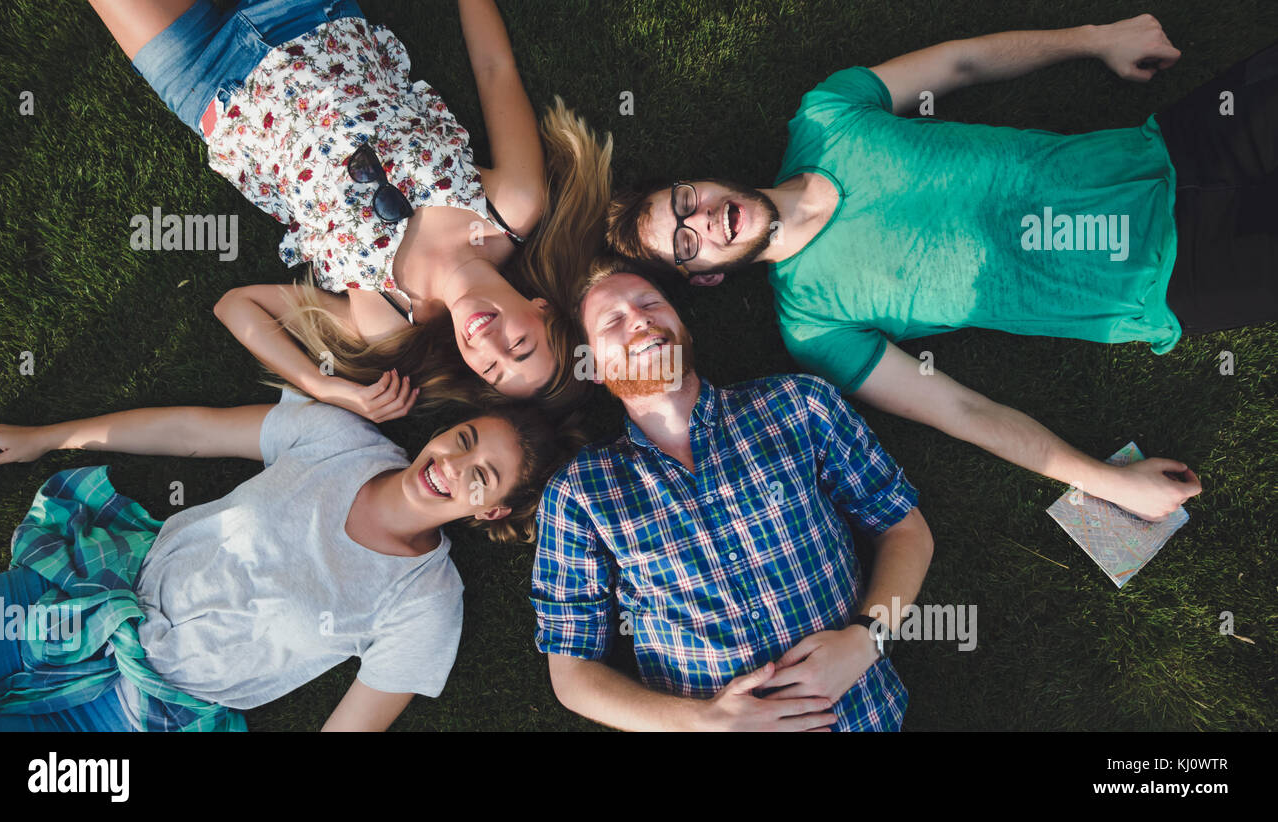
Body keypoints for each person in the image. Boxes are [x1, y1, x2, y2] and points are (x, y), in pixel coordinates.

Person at [601, 14, 1278, 521]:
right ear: (708, 277)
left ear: (699, 181)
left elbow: (960, 64)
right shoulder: (814, 326)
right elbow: (961, 409)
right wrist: (1107, 482)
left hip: (1171, 150)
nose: (701, 220)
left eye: (684, 202)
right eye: (685, 244)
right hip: (1172, 275)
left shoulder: (826, 115)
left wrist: (1096, 38)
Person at [88, 0, 610, 418]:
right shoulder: (511, 205)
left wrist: (325, 387)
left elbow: (236, 305)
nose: (488, 343)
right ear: (541, 307)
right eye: (519, 345)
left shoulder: (385, 319)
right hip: (309, 13)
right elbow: (495, 70)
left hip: (208, 82)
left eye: (491, 370)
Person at [0, 388, 562, 731]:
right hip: (85, 591)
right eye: (462, 439)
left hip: (132, 715)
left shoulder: (427, 606)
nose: (451, 466)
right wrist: (46, 437)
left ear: (492, 513)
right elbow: (191, 431)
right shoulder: (340, 440)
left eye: (481, 477)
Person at [530, 258, 934, 731]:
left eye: (650, 304)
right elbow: (572, 672)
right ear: (594, 367)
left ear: (683, 328)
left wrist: (868, 637)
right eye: (613, 321)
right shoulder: (580, 493)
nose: (639, 319)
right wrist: (705, 722)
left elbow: (904, 527)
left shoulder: (799, 405)